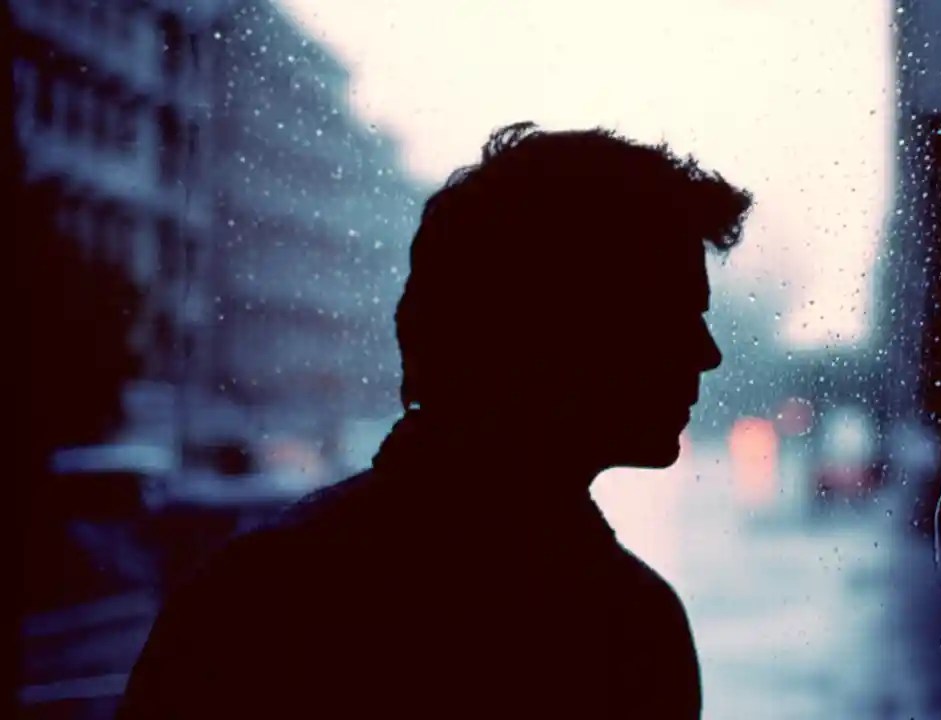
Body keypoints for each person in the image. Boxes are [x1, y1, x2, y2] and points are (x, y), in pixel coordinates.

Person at [116, 121, 753, 719]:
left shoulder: (255, 600)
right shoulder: (626, 632)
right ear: (566, 328)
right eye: (673, 314)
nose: (707, 352)